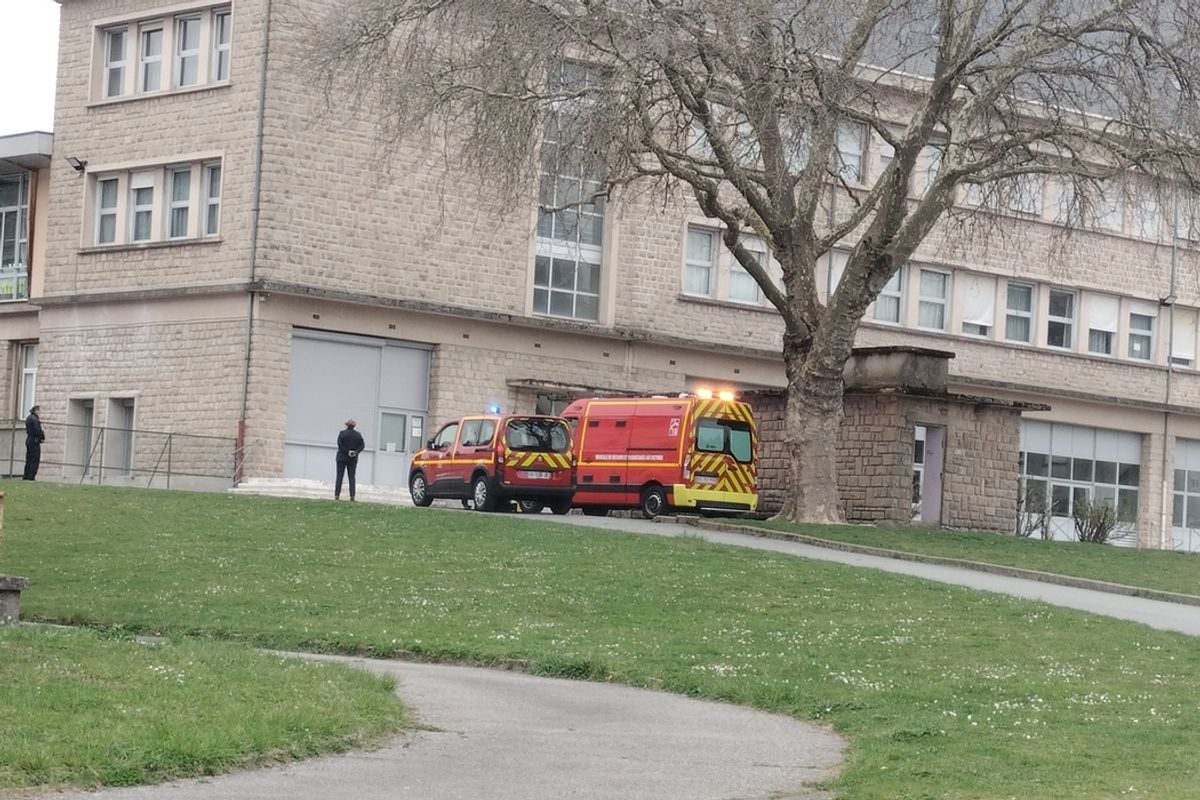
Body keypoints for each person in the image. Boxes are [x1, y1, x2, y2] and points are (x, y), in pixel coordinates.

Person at [335, 419, 365, 501]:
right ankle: (352, 496)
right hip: (353, 459)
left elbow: (340, 445)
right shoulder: (358, 435)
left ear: (346, 425)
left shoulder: (342, 434)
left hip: (341, 457)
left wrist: (347, 451)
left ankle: (337, 495)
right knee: (352, 477)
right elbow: (362, 445)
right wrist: (356, 452)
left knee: (339, 476)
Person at [23, 405, 45, 481]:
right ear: (36, 410)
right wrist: (42, 437)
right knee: (35, 459)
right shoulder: (35, 419)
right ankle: (31, 476)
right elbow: (38, 430)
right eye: (39, 411)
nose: (40, 412)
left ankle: (26, 475)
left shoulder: (29, 418)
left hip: (29, 439)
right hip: (34, 440)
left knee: (29, 459)